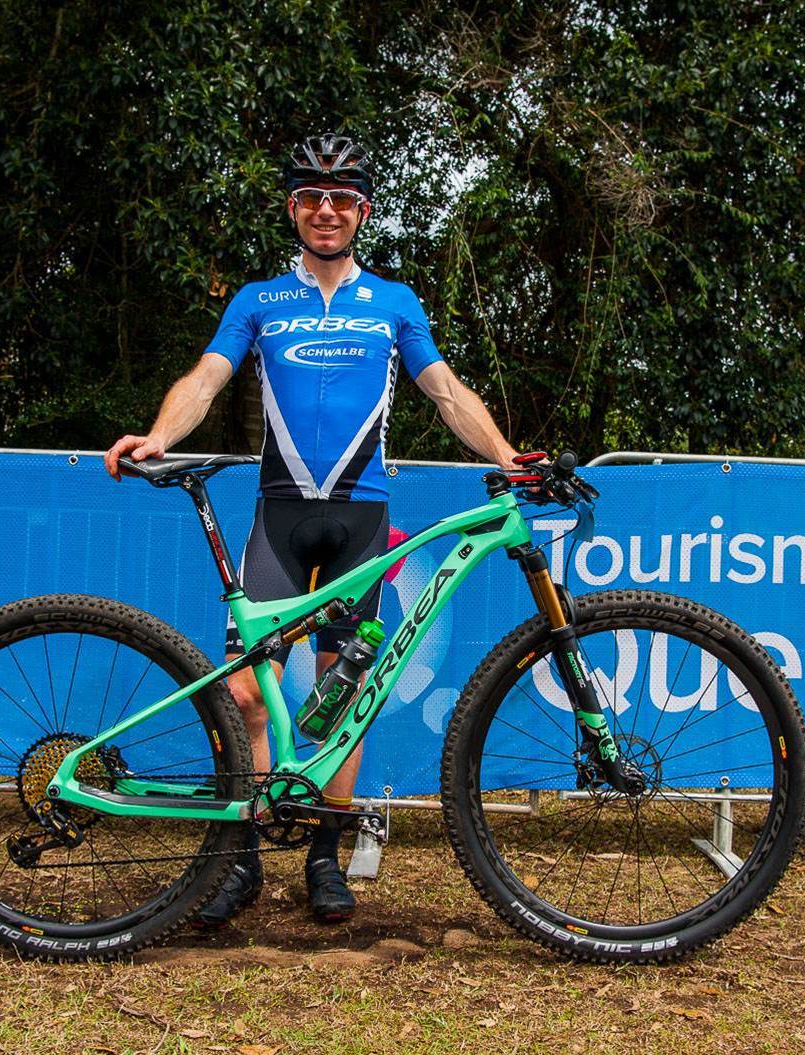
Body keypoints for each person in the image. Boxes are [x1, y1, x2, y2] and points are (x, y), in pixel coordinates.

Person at [104, 132, 518, 928]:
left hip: (360, 517)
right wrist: (161, 435)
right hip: (281, 515)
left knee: (345, 691)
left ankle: (326, 856)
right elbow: (208, 375)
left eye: (341, 198)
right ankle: (244, 859)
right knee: (244, 694)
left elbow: (445, 390)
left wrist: (505, 453)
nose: (326, 210)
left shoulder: (394, 302)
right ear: (292, 208)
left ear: (362, 211)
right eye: (310, 197)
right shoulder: (260, 299)